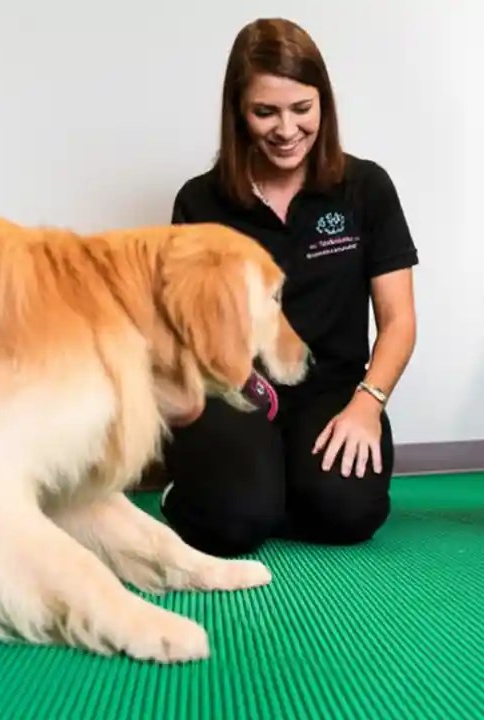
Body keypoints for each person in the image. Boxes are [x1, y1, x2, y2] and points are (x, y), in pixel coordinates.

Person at [146, 17, 419, 558]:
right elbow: (179, 329)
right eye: (265, 111)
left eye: (302, 109)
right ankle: (214, 491)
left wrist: (368, 405)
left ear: (324, 105)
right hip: (235, 391)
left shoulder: (367, 188)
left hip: (334, 391)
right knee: (232, 524)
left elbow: (399, 321)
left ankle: (270, 485)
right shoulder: (199, 202)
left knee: (349, 513)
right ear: (238, 114)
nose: (286, 129)